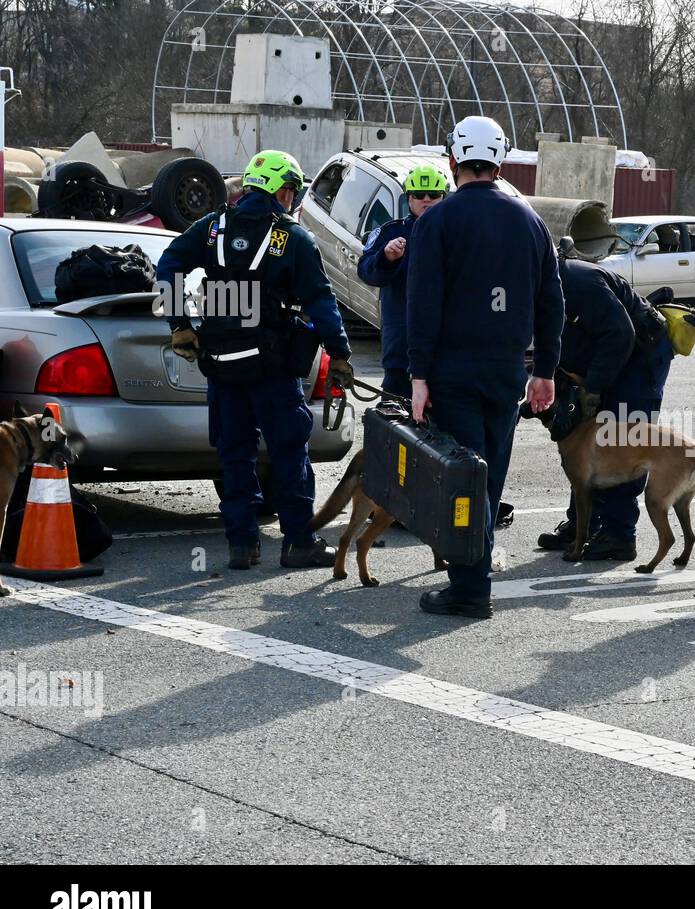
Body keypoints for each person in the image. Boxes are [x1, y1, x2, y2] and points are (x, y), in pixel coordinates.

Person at [159, 149, 353, 571]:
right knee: (288, 451)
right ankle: (299, 543)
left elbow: (169, 264)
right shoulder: (293, 238)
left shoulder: (210, 228)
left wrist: (181, 324)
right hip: (274, 367)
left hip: (222, 364)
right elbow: (320, 301)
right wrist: (339, 352)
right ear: (285, 191)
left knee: (235, 454)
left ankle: (241, 547)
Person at [405, 116, 563, 618]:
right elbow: (551, 303)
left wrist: (418, 376)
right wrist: (546, 371)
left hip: (453, 371)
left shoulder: (437, 221)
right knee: (489, 473)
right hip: (506, 370)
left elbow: (422, 306)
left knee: (462, 476)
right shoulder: (530, 220)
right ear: (500, 162)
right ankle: (477, 571)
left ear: (453, 162)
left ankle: (470, 586)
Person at [536, 248, 674, 560]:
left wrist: (593, 389)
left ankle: (618, 534)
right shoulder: (543, 285)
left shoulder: (578, 281)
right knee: (585, 443)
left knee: (623, 441)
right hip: (603, 358)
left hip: (640, 355)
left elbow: (620, 334)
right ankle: (582, 526)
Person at [357, 165, 449, 399]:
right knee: (394, 423)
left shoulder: (458, 234)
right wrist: (385, 258)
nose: (426, 200)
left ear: (444, 197)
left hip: (447, 353)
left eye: (433, 195)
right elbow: (366, 272)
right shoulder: (389, 233)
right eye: (419, 195)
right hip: (401, 352)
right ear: (409, 199)